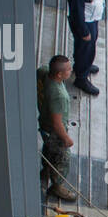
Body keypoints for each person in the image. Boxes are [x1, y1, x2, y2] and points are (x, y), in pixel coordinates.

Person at [67, 0, 105, 96]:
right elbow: (76, 13)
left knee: (87, 48)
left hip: (92, 18)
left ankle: (83, 65)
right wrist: (84, 32)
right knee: (85, 48)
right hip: (85, 23)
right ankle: (81, 77)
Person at [37, 55, 76, 201]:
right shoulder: (59, 95)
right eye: (68, 69)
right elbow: (57, 123)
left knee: (48, 150)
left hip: (43, 122)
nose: (71, 71)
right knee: (62, 158)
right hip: (54, 132)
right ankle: (57, 187)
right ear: (59, 74)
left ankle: (45, 171)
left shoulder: (43, 71)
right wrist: (66, 139)